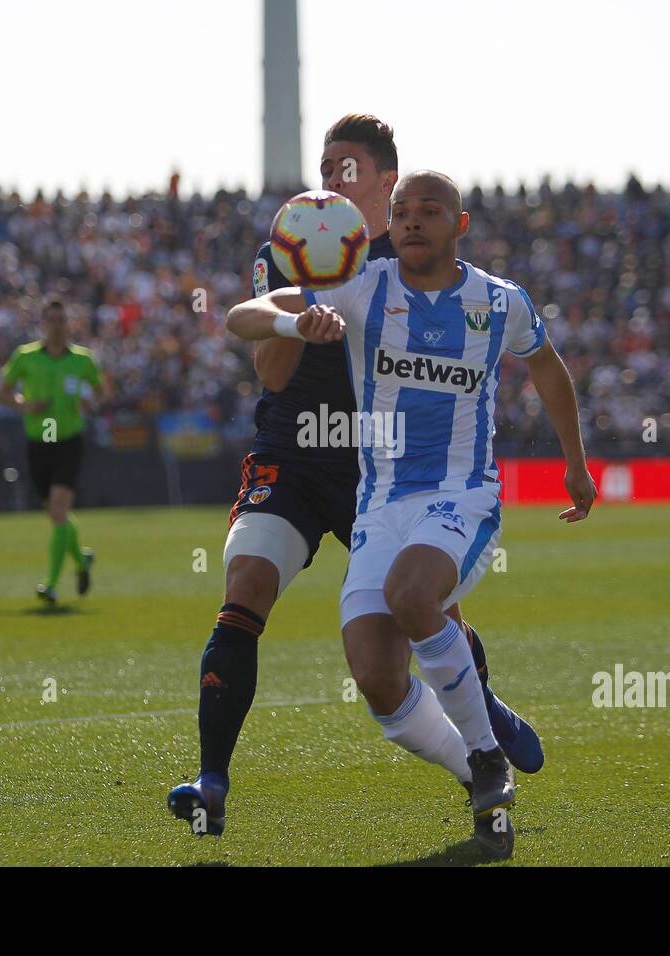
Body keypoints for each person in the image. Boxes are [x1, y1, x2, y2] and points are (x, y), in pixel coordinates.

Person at [168, 116, 542, 839]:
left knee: (431, 612)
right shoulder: (288, 245)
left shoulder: (412, 250)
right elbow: (270, 374)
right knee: (244, 585)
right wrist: (295, 320)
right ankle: (212, 780)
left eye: (347, 167)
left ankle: (484, 721)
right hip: (296, 453)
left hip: (386, 464)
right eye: (325, 164)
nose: (331, 179)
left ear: (385, 181)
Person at [225, 170, 597, 857]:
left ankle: (486, 752)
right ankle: (486, 784)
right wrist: (291, 321)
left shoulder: (497, 299)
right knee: (376, 678)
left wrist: (574, 462)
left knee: (409, 594)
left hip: (463, 495)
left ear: (460, 224)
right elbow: (238, 318)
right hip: (382, 504)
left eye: (430, 210)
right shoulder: (365, 287)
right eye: (401, 212)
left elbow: (546, 365)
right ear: (389, 226)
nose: (413, 221)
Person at [0, 297, 108, 605]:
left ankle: (51, 584)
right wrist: (25, 405)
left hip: (69, 440)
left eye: (62, 320)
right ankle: (82, 561)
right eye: (52, 321)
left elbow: (101, 393)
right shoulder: (26, 357)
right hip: (38, 442)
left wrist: (91, 403)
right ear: (43, 325)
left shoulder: (82, 360)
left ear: (68, 324)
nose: (57, 326)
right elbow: (3, 393)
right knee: (56, 514)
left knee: (58, 511)